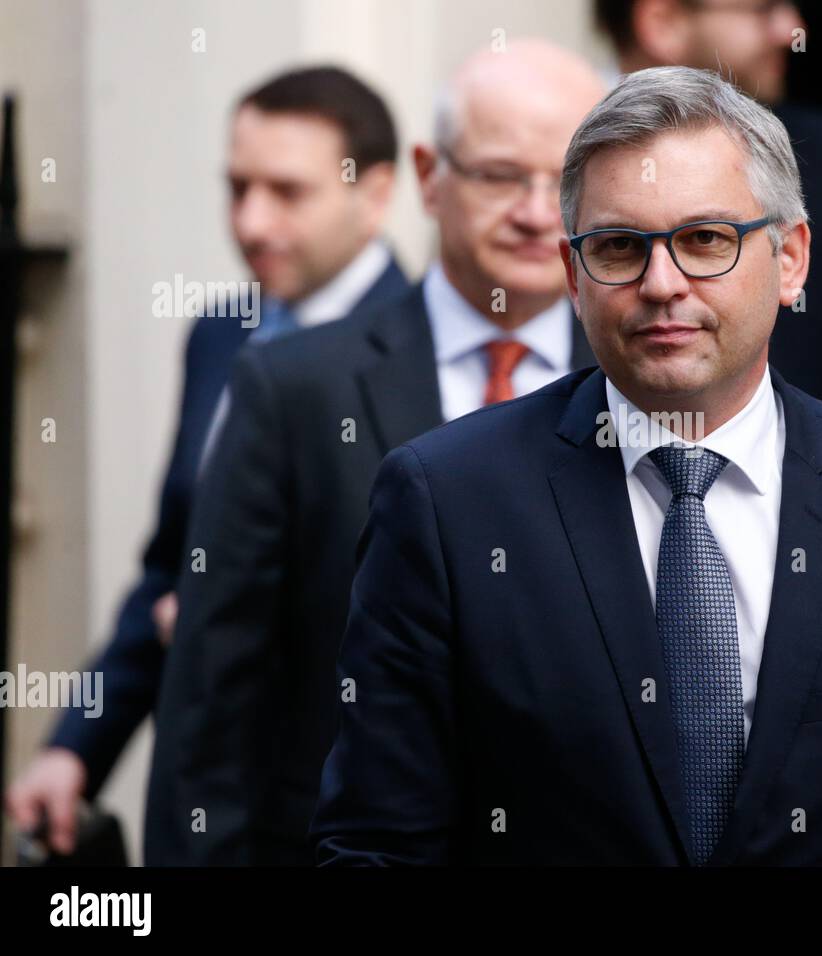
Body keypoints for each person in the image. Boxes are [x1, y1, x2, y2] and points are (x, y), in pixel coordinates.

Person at [310, 66, 822, 866]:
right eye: (619, 247)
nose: (661, 284)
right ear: (574, 274)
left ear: (790, 261)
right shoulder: (446, 504)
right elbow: (380, 845)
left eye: (705, 240)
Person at [144, 40, 609, 865]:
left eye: (568, 178)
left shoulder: (648, 383)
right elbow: (213, 693)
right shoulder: (293, 388)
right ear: (429, 176)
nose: (540, 212)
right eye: (502, 176)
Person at [3, 65, 406, 858]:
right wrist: (75, 747)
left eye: (288, 192)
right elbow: (169, 567)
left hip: (342, 815)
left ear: (378, 191)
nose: (252, 221)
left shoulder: (431, 356)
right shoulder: (223, 334)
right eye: (237, 187)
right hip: (204, 803)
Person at [594, 0, 822, 441]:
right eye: (762, 8)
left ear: (793, 252)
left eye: (708, 236)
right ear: (663, 21)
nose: (791, 28)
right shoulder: (536, 157)